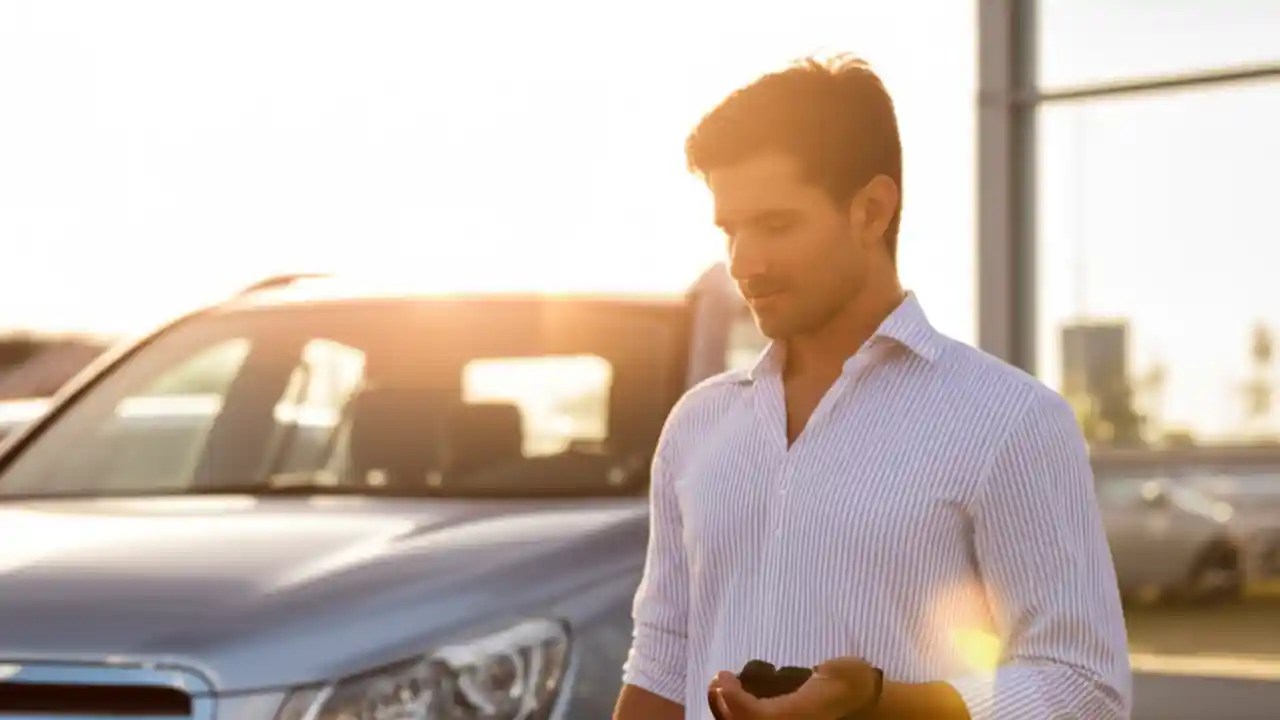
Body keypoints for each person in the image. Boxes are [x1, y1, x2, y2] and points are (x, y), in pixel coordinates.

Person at [612, 56, 1131, 720]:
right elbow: (662, 660)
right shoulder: (696, 426)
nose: (743, 262)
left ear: (871, 211)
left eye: (775, 225)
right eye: (730, 230)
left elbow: (1084, 687)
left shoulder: (1012, 421)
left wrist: (884, 706)